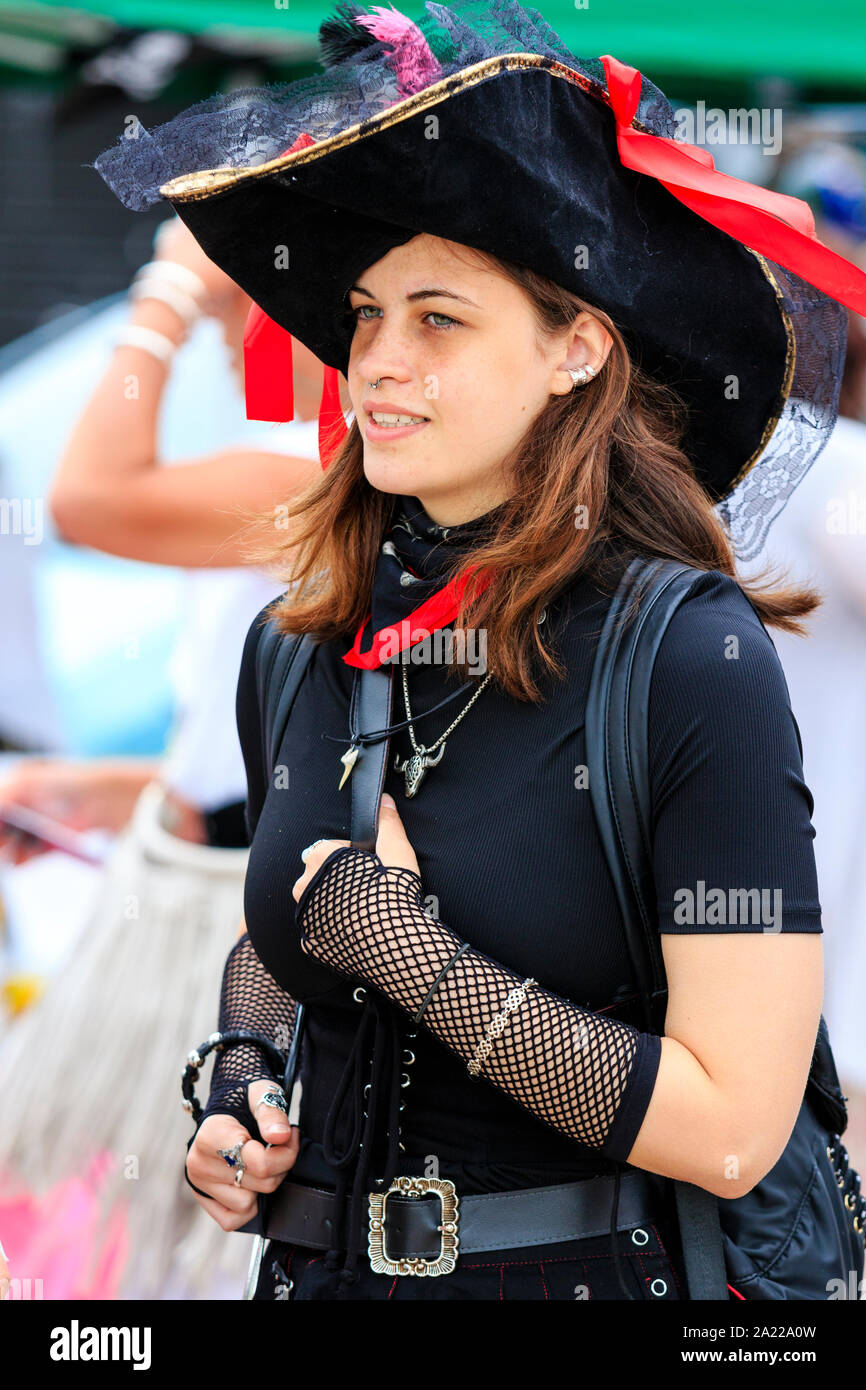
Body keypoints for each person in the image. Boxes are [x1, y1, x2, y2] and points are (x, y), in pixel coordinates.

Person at [93, 0, 866, 1300]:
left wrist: (412, 954)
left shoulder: (687, 656)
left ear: (577, 348)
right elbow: (281, 933)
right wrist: (239, 1080)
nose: (376, 363)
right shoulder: (301, 642)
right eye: (365, 315)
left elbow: (733, 1127)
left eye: (438, 319)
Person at [0, 219, 334, 1299]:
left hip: (246, 938)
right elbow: (239, 766)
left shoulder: (321, 478)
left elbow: (86, 497)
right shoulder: (311, 470)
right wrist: (97, 792)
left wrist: (167, 293)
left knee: (199, 1258)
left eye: (241, 303)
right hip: (213, 898)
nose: (226, 334)